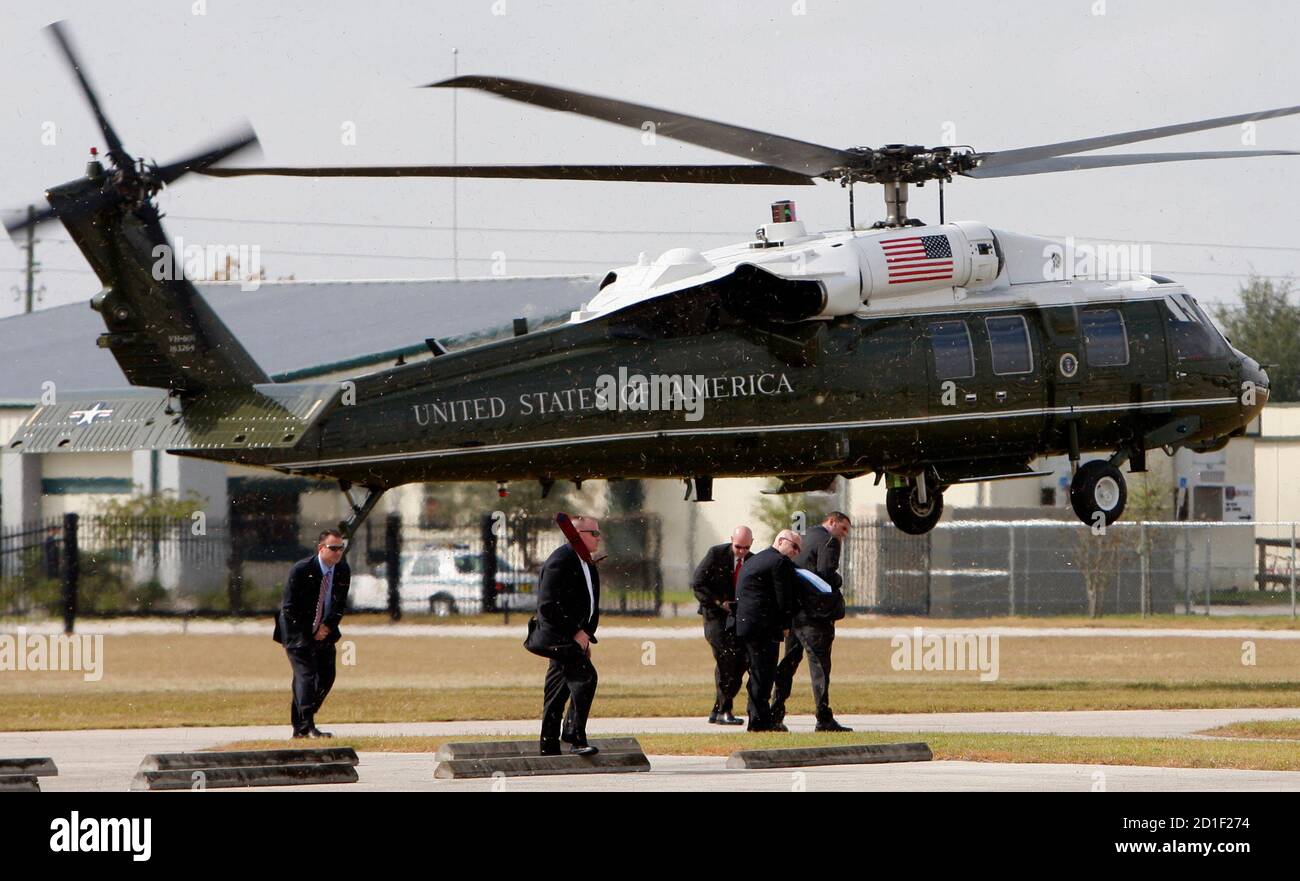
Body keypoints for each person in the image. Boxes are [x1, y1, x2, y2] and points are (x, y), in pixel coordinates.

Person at [528, 515, 602, 756]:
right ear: (577, 535)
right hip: (558, 638)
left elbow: (589, 603)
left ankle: (549, 744)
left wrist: (586, 635)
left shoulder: (586, 562)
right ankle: (574, 735)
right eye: (594, 533)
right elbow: (548, 606)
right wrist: (575, 632)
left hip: (575, 638)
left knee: (557, 690)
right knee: (586, 678)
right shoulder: (560, 561)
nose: (599, 538)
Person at [772, 512, 853, 732]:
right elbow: (826, 574)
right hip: (815, 616)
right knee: (820, 666)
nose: (844, 535)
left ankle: (775, 711)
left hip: (796, 613)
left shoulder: (805, 538)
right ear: (832, 522)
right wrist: (839, 580)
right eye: (843, 529)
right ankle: (823, 716)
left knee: (788, 663)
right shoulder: (829, 540)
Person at [272, 529, 351, 739]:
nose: (337, 553)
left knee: (326, 676)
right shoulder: (302, 569)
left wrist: (326, 627)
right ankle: (307, 726)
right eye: (333, 548)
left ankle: (301, 724)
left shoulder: (342, 569)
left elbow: (339, 604)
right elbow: (289, 608)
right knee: (306, 676)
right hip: (297, 631)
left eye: (340, 549)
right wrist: (310, 632)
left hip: (324, 631)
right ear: (321, 548)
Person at [734, 529, 801, 732]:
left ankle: (757, 717)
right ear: (781, 541)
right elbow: (783, 598)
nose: (796, 552)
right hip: (763, 627)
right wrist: (786, 625)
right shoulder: (779, 562)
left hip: (746, 625)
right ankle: (760, 723)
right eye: (794, 546)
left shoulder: (757, 559)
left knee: (757, 674)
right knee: (764, 675)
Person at [690, 526, 754, 725]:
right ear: (731, 540)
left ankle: (718, 709)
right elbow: (698, 583)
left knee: (741, 661)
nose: (741, 551)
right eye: (738, 547)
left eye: (746, 547)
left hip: (737, 617)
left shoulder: (752, 560)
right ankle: (725, 710)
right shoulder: (716, 554)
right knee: (726, 659)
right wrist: (719, 602)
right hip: (715, 615)